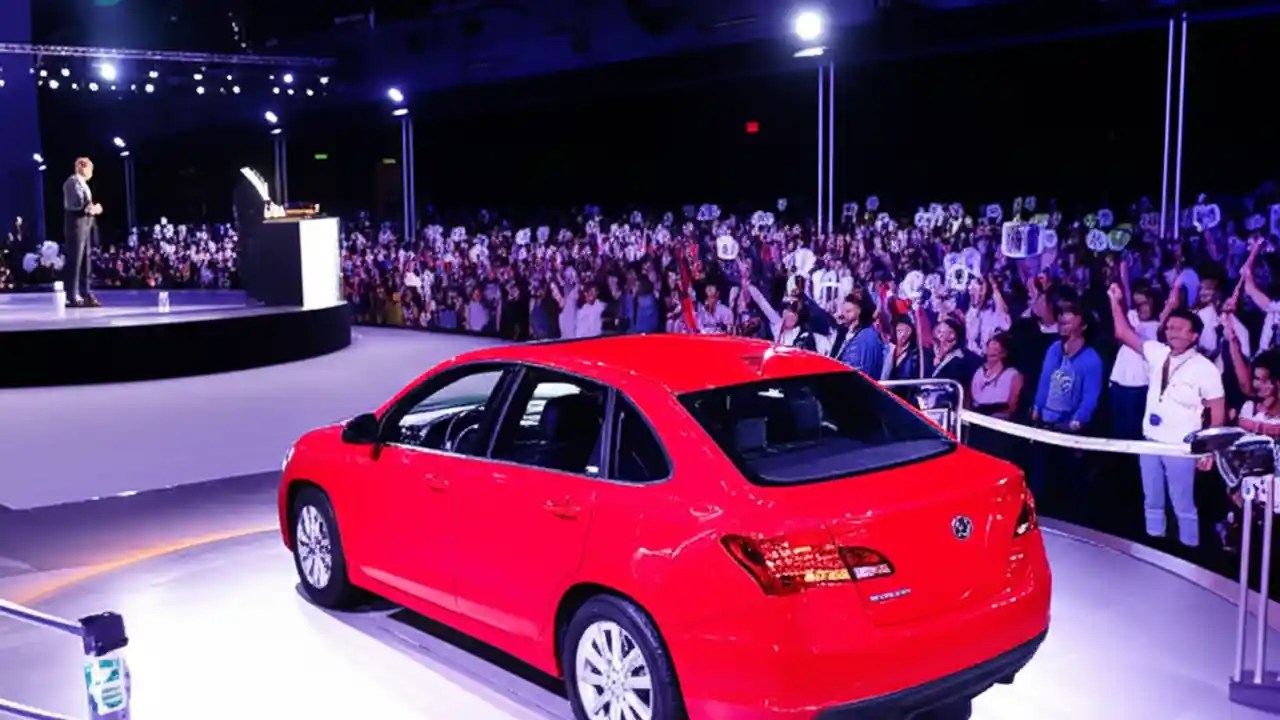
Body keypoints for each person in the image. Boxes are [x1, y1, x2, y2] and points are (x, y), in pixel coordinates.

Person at [1108, 283, 1225, 549]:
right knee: (1151, 499)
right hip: (1150, 440)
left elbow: (1217, 411)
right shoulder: (1157, 352)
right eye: (1170, 327)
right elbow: (1123, 332)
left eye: (1179, 329)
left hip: (1181, 446)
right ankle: (1154, 545)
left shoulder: (1204, 369)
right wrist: (1115, 301)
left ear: (1194, 336)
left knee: (1182, 502)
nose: (1171, 332)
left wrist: (1209, 450)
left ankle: (1190, 551)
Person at [61, 157, 103, 307]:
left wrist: (94, 208)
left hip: (85, 223)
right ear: (83, 167)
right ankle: (72, 295)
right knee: (75, 260)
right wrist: (90, 207)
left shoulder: (83, 183)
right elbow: (76, 203)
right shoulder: (72, 182)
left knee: (86, 260)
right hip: (76, 225)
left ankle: (85, 292)